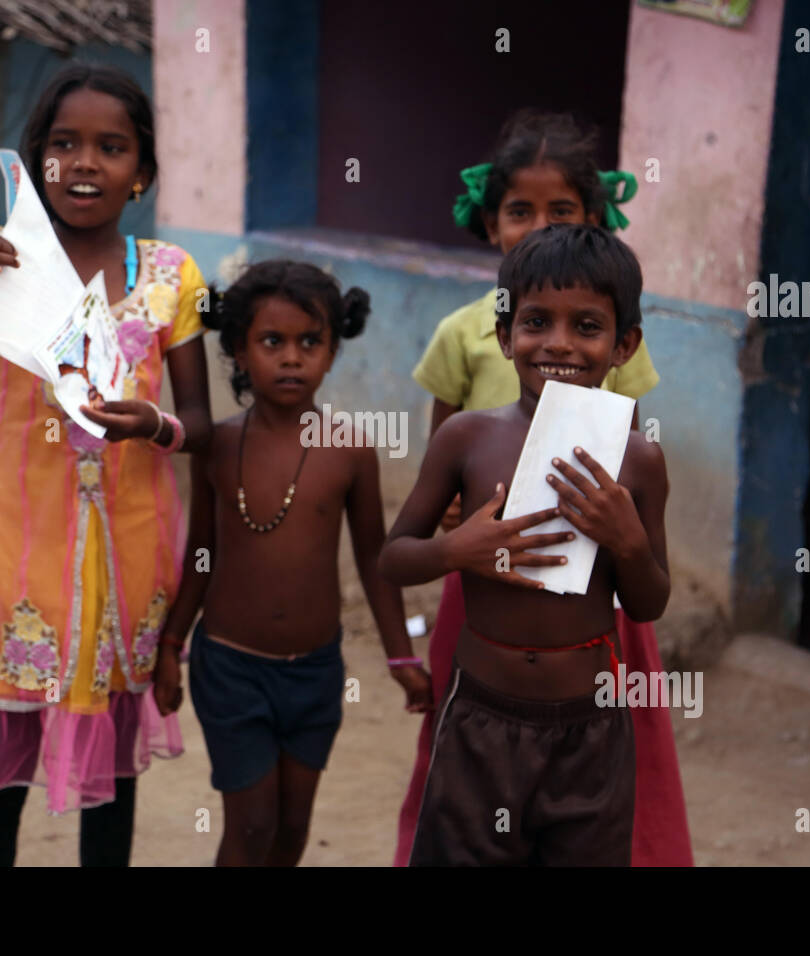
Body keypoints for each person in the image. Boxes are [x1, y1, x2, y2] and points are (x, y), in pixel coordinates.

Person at [0, 64, 213, 867]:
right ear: (35, 163)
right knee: (0, 765)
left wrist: (153, 425)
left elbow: (201, 425)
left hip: (132, 551)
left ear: (143, 173)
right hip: (8, 549)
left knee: (113, 772)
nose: (87, 162)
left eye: (113, 146)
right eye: (65, 144)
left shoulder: (170, 276)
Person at [396, 108, 692, 866]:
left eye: (586, 328)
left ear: (624, 345)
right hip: (482, 704)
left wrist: (626, 538)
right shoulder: (467, 433)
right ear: (505, 331)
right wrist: (458, 546)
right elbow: (394, 553)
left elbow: (650, 600)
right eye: (536, 323)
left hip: (591, 718)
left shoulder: (637, 458)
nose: (558, 343)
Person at [153, 260, 432, 866]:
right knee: (251, 826)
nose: (292, 358)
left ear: (333, 352)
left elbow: (371, 555)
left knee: (290, 830)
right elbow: (201, 551)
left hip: (315, 673)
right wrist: (172, 643)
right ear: (238, 350)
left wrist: (400, 654)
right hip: (230, 668)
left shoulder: (352, 450)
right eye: (272, 341)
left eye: (311, 342)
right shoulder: (218, 446)